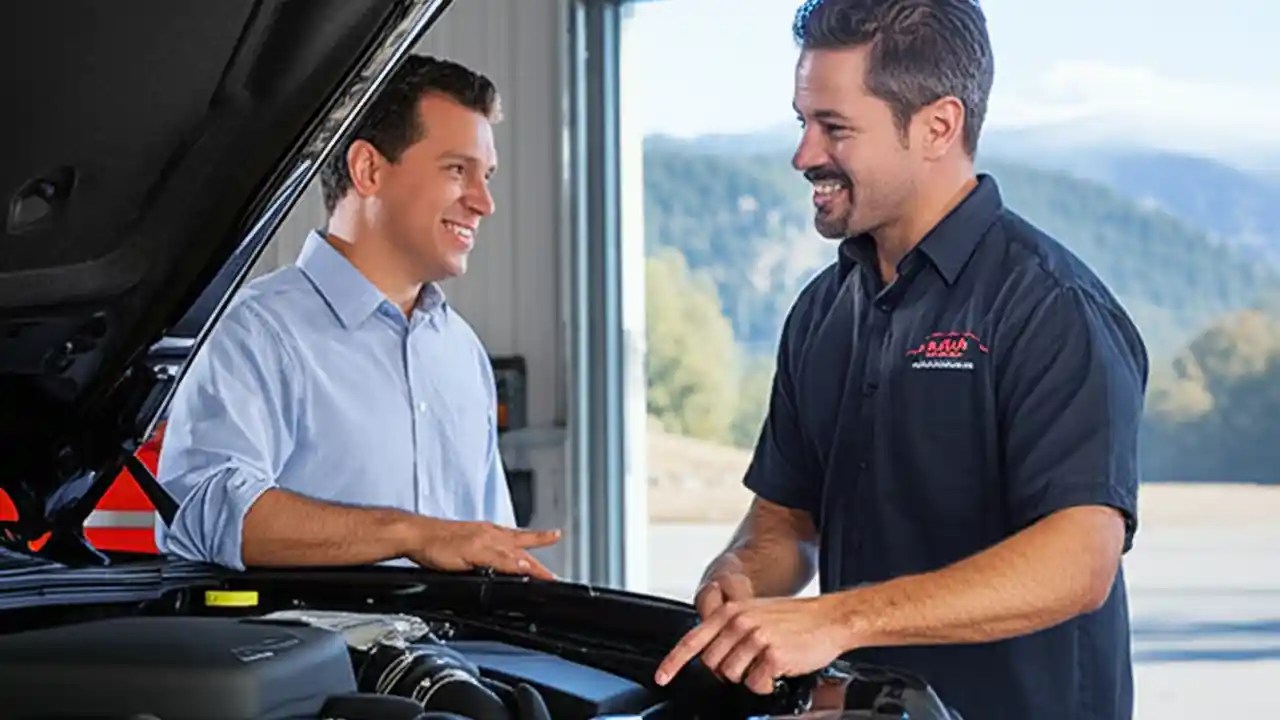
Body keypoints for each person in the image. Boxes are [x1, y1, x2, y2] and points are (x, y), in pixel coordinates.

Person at [654, 2, 1147, 719]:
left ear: (937, 127)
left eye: (835, 128)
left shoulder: (1049, 306)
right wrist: (740, 577)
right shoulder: (824, 311)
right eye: (802, 121)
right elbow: (785, 523)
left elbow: (1080, 561)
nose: (803, 155)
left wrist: (838, 619)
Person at [155, 55, 560, 578]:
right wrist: (413, 534)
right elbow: (203, 511)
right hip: (316, 658)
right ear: (367, 169)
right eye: (457, 170)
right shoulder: (255, 332)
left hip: (456, 658)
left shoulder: (461, 352)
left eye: (488, 176)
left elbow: (487, 547)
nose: (484, 202)